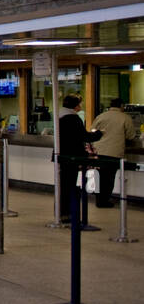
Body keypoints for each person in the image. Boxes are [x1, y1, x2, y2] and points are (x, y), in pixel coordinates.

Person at [57, 94, 101, 222]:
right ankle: (67, 213)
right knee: (69, 184)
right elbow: (84, 136)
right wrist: (99, 134)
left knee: (64, 184)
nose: (80, 107)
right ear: (75, 106)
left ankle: (62, 212)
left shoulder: (59, 116)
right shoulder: (73, 118)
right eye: (79, 104)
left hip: (63, 155)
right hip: (72, 156)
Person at [89, 98, 139, 208]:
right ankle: (105, 201)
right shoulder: (125, 117)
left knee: (99, 176)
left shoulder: (101, 116)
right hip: (114, 152)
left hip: (99, 150)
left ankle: (99, 200)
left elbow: (92, 131)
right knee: (109, 177)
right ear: (121, 106)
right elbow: (131, 136)